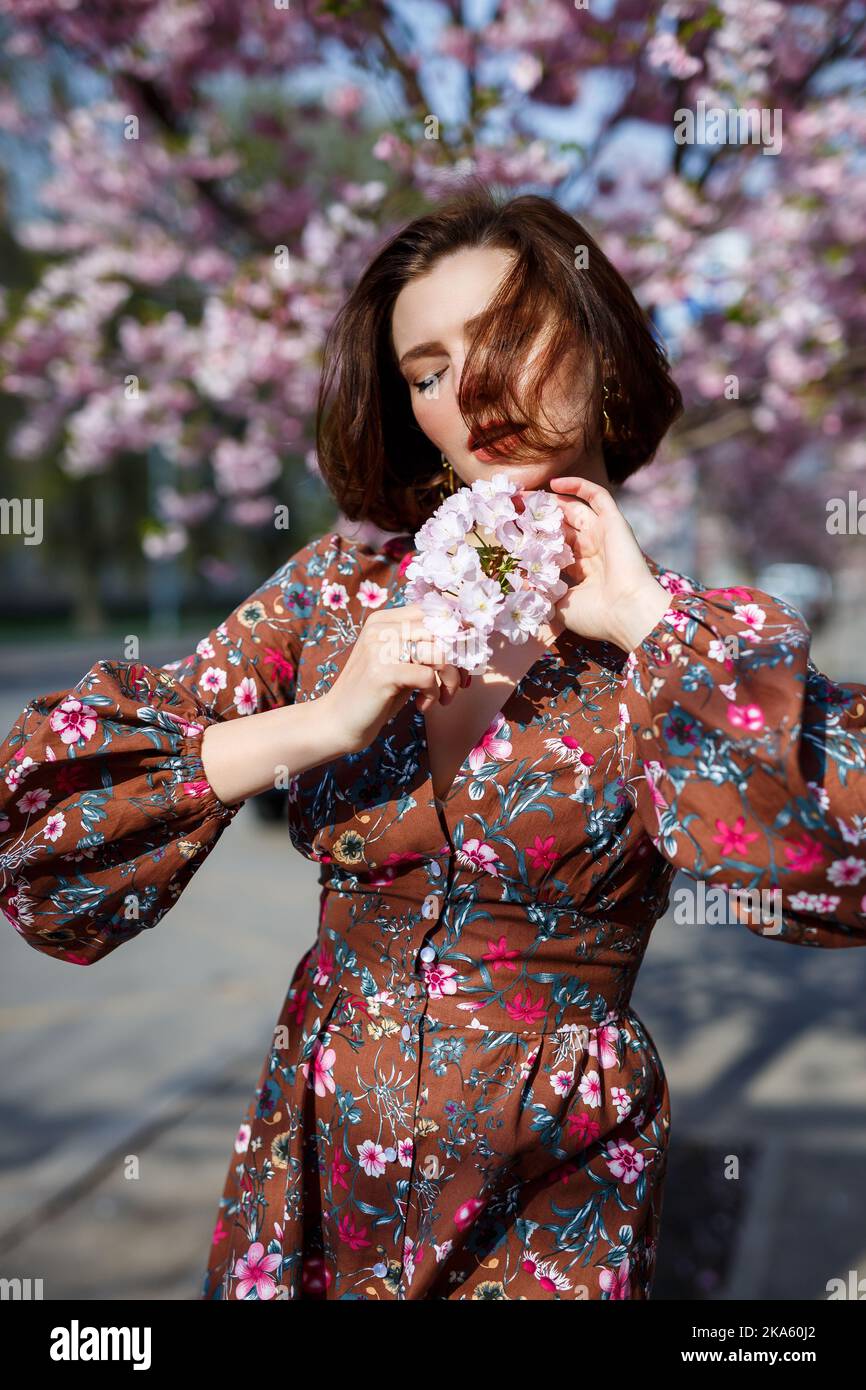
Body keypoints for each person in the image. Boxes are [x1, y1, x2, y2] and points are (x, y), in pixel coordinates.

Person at [1, 180, 864, 1303]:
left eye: (507, 337)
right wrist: (320, 722)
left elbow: (836, 863)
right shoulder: (333, 596)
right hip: (311, 1181)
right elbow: (42, 830)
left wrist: (649, 625)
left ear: (600, 356)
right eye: (425, 369)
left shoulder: (692, 641)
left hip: (557, 1191)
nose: (471, 387)